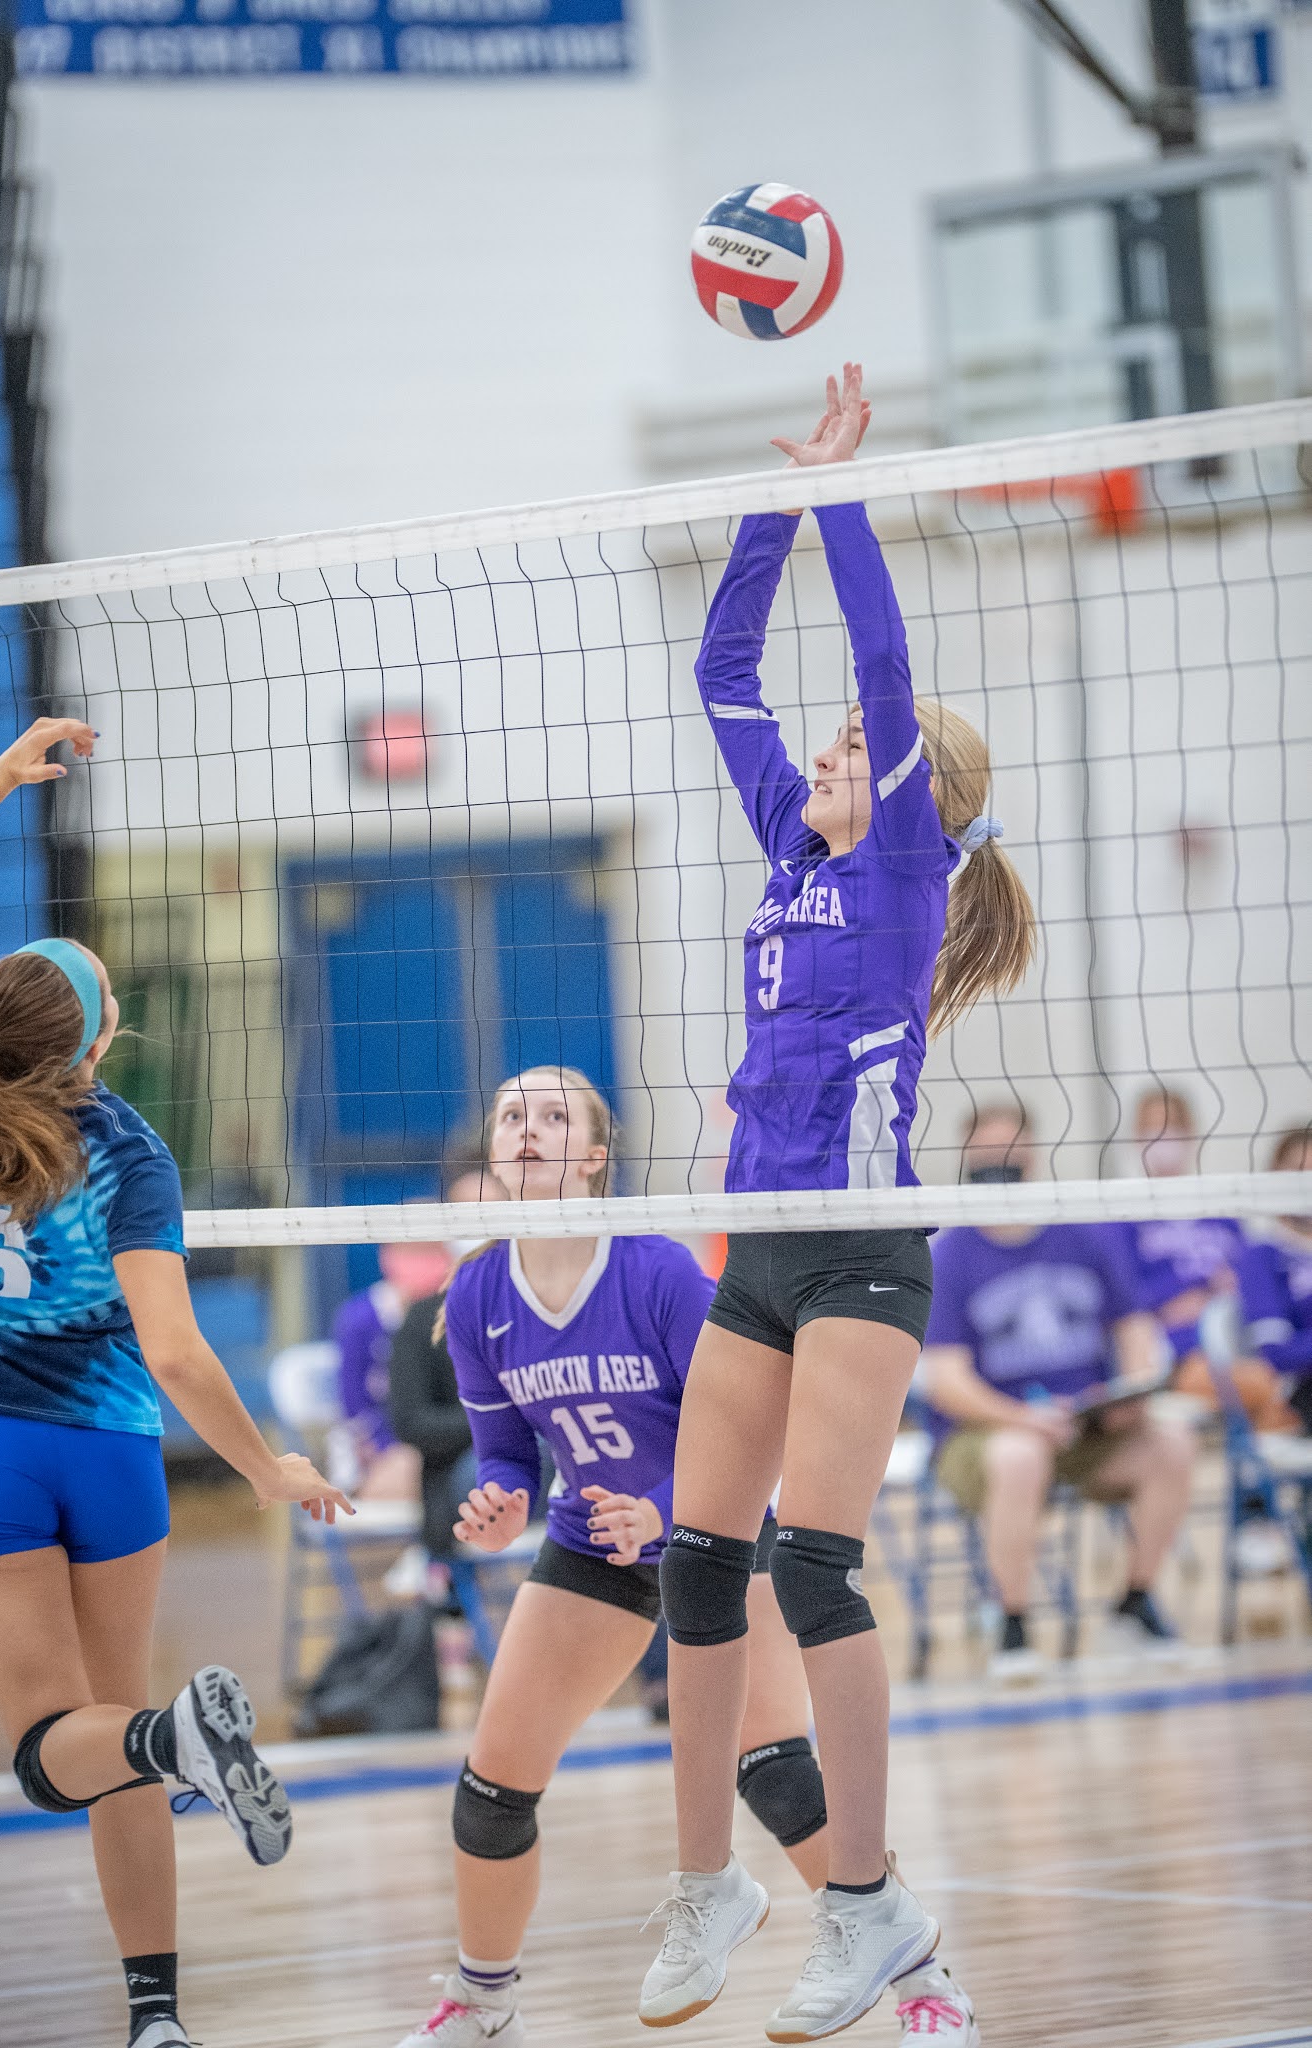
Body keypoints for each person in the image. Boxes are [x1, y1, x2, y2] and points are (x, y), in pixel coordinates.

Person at [640, 364, 1030, 2043]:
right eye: (831, 740)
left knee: (817, 1566)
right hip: (759, 1253)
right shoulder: (793, 847)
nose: (824, 739)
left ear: (921, 805)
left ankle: (866, 1906)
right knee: (696, 1570)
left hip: (865, 1253)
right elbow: (728, 668)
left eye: (859, 744)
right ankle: (710, 1881)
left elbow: (879, 663)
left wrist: (850, 500)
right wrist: (770, 509)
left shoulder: (894, 880)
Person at [393, 1062, 978, 2048]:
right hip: (593, 1543)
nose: (526, 1129)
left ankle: (928, 1985)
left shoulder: (657, 1269)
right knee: (490, 1790)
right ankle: (482, 2003)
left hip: (717, 1531)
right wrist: (500, 1502)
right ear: (492, 1153)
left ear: (594, 1153)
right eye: (508, 1116)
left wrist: (663, 1509)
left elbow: (754, 1424)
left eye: (551, 1115)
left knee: (779, 1775)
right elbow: (507, 1454)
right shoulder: (479, 1290)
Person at [0, 720, 351, 2048]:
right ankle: (156, 2016)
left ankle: (177, 1746)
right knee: (116, 1724)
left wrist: (0, 783)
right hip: (111, 1454)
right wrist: (274, 1469)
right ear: (99, 1040)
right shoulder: (125, 1145)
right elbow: (176, 1351)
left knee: (67, 1744)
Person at [921, 1102, 1196, 1682]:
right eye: (989, 1150)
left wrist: (1133, 1393)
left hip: (1086, 1426)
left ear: (1033, 1154)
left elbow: (1135, 1327)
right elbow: (947, 1381)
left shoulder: (1081, 1233)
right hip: (986, 1438)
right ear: (968, 1158)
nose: (1002, 1159)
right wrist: (1022, 1418)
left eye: (1013, 1148)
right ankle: (1013, 1626)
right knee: (1021, 1456)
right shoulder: (951, 1254)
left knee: (1173, 1442)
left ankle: (1135, 1602)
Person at [1129, 1084, 1295, 1434]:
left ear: (1191, 1134)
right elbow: (1122, 1295)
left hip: (1238, 1345)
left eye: (1172, 1125)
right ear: (1136, 1137)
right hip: (1171, 1355)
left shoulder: (1222, 1213)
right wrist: (1176, 1297)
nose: (1163, 1137)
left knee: (1270, 1393)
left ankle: (1259, 1479)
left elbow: (1251, 1279)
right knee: (1270, 1393)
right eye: (1152, 1126)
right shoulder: (1123, 1216)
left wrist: (1218, 1295)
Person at [388, 1164, 506, 1562]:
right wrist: (502, 1420)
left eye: (493, 1210)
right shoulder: (423, 1320)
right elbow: (410, 1422)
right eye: (468, 1213)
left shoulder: (540, 1311)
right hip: (458, 1481)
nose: (482, 1224)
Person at [335, 1239, 453, 1499]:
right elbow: (354, 1405)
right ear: (388, 1255)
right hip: (375, 1444)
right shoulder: (361, 1317)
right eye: (413, 1250)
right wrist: (387, 1449)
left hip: (439, 1439)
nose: (423, 1260)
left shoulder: (454, 1309)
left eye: (432, 1250)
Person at [1239, 1126, 1312, 1438]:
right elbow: (1276, 1355)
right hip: (1300, 1392)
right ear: (1276, 1179)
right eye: (1298, 1170)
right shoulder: (1263, 1255)